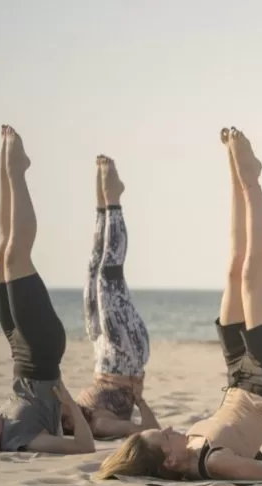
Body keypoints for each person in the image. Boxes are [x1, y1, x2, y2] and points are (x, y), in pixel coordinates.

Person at [95, 128, 262, 481]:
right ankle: (251, 181)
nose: (171, 428)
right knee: (254, 273)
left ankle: (238, 176)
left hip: (238, 375)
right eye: (165, 437)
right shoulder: (214, 462)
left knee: (235, 269)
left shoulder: (182, 447)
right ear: (171, 462)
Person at [0, 126, 95, 454]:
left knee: (0, 251)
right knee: (15, 254)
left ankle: (5, 168)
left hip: (18, 351)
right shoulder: (22, 439)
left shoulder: (5, 424)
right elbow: (84, 446)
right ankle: (17, 172)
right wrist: (69, 403)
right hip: (42, 351)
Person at [68, 155, 159, 439]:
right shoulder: (99, 425)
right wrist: (138, 396)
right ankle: (115, 201)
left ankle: (101, 201)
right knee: (109, 273)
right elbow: (147, 429)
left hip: (101, 349)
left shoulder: (73, 411)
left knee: (93, 269)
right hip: (126, 354)